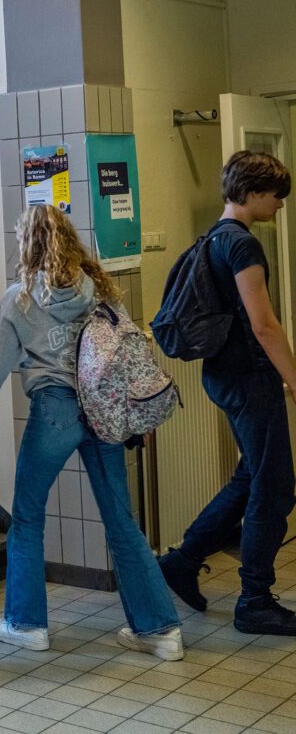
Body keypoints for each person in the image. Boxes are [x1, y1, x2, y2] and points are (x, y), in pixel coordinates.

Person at [0, 205, 183, 660]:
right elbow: (127, 354)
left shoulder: (19, 300)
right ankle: (160, 631)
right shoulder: (99, 290)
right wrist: (133, 416)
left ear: (27, 245)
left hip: (54, 410)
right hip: (104, 411)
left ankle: (26, 624)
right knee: (121, 518)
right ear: (69, 238)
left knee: (28, 515)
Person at [158, 151, 296, 635]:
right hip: (250, 378)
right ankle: (254, 601)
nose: (280, 204)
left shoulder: (213, 238)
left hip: (223, 375)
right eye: (276, 195)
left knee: (251, 476)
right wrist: (294, 379)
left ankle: (183, 560)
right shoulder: (242, 245)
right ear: (254, 191)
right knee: (275, 489)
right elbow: (264, 324)